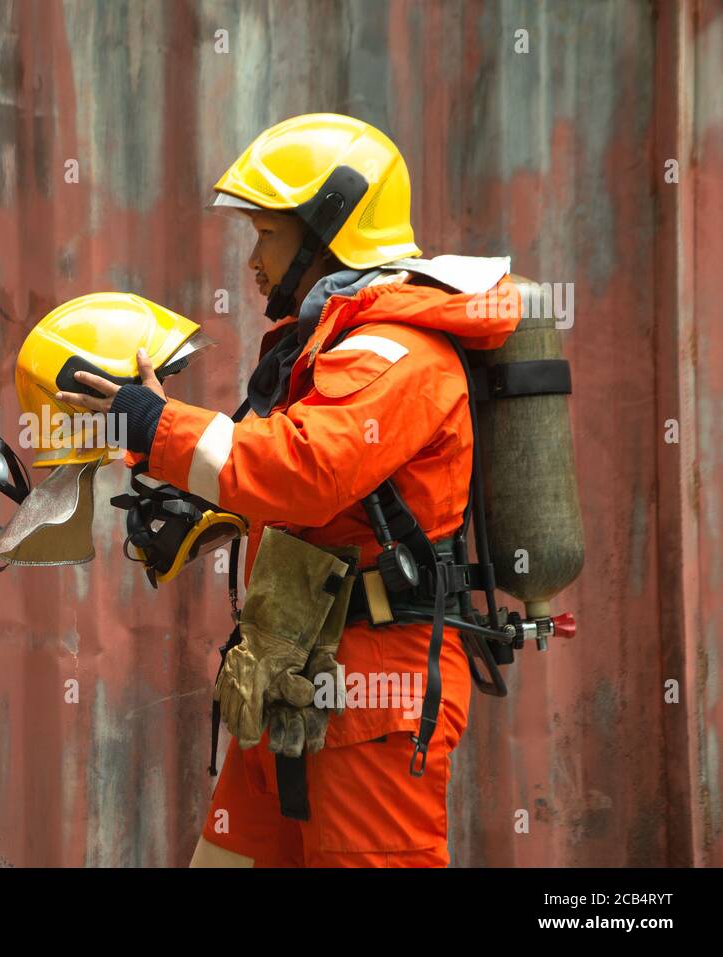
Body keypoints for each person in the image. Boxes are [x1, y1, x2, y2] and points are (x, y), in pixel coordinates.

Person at [57, 114, 521, 867]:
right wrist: (194, 495)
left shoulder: (398, 351)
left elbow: (305, 472)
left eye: (266, 236)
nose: (253, 262)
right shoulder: (331, 344)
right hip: (287, 677)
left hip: (368, 702)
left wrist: (153, 424)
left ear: (329, 232)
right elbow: (293, 483)